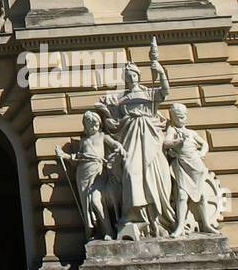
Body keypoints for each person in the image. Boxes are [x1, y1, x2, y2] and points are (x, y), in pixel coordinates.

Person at [97, 41, 174, 239]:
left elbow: (165, 92)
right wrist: (107, 110)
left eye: (133, 75)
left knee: (153, 175)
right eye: (128, 75)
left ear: (138, 76)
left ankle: (155, 220)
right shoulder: (121, 99)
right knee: (130, 172)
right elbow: (114, 124)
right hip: (130, 140)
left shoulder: (149, 93)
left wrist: (161, 73)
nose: (131, 78)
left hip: (150, 139)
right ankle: (133, 216)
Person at [57, 110, 124, 239]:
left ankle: (109, 230)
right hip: (83, 174)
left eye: (95, 123)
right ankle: (104, 231)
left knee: (96, 201)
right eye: (89, 123)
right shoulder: (84, 141)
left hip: (98, 172)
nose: (92, 126)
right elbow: (77, 158)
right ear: (85, 125)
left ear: (99, 124)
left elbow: (115, 144)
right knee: (88, 205)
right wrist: (64, 155)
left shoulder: (103, 136)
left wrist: (118, 148)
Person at [163, 103, 220, 237]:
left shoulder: (191, 132)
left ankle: (206, 224)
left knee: (200, 196)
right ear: (173, 117)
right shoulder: (172, 131)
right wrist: (178, 142)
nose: (181, 119)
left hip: (196, 166)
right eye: (178, 117)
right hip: (182, 165)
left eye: (183, 117)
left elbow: (204, 144)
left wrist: (202, 153)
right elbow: (166, 143)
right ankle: (180, 226)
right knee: (182, 195)